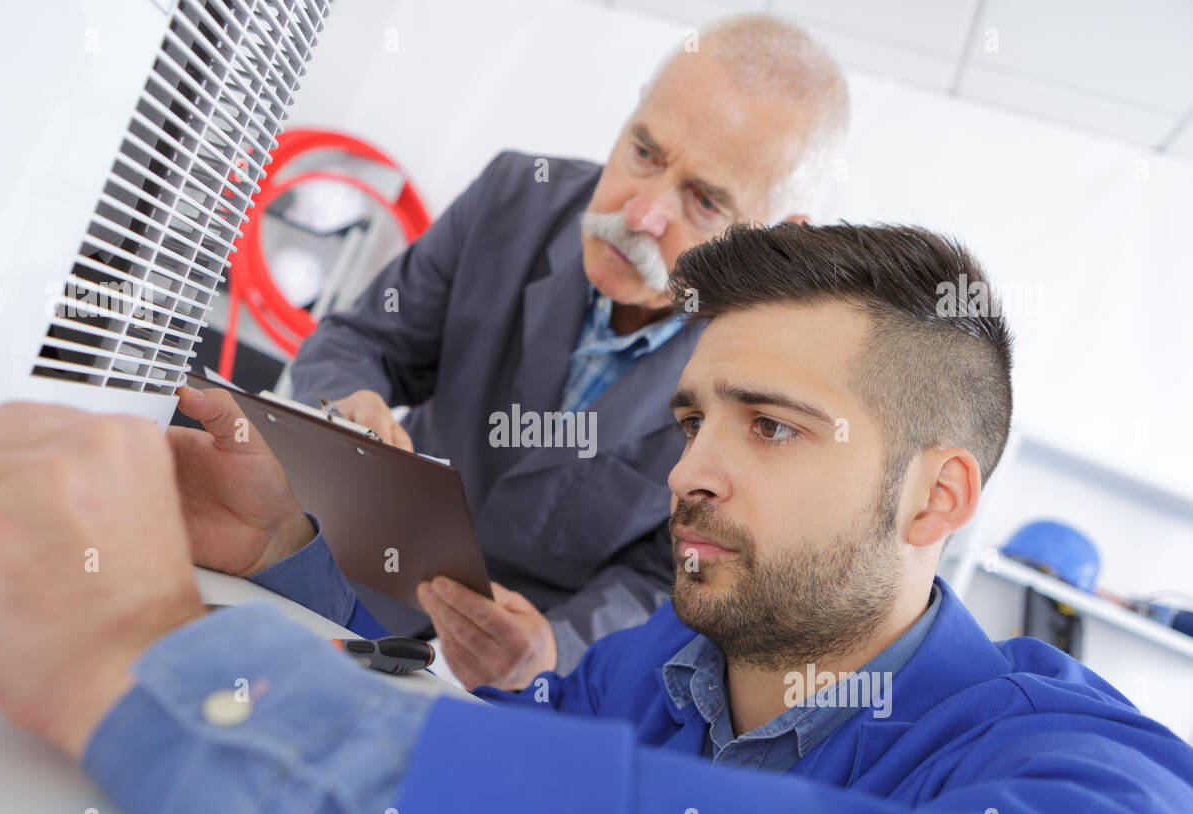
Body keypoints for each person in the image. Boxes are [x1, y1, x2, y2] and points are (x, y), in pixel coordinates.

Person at [0, 222, 1192, 814]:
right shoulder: (658, 671)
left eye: (776, 429)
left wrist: (150, 661)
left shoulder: (1080, 762)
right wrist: (290, 546)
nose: (692, 470)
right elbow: (516, 738)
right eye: (695, 418)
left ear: (937, 502)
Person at [288, 14, 850, 688]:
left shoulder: (771, 380)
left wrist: (554, 647)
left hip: (531, 676)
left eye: (703, 201)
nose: (640, 215)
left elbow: (670, 573)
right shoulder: (512, 199)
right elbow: (360, 341)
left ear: (769, 237)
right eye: (644, 152)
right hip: (360, 573)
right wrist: (348, 409)